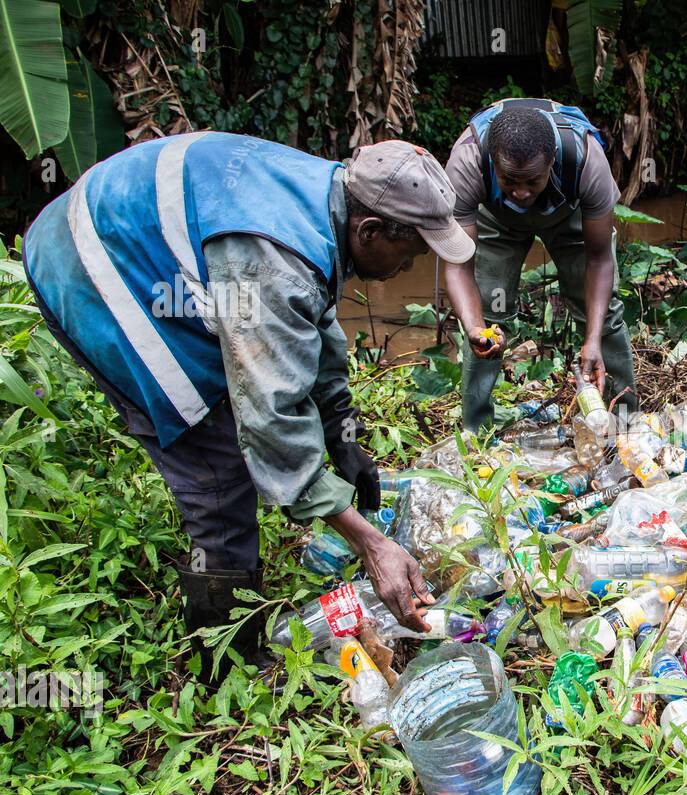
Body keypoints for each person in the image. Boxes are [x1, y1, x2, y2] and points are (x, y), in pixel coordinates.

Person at [22, 132, 475, 679]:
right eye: (412, 252)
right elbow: (271, 416)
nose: (409, 267)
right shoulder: (273, 259)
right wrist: (370, 544)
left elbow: (316, 333)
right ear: (371, 230)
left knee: (246, 389)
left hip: (144, 239)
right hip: (91, 262)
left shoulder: (330, 200)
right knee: (216, 459)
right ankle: (228, 662)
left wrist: (344, 439)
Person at [441, 98, 638, 430]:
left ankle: (625, 422)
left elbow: (599, 259)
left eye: (531, 181)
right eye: (510, 181)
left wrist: (591, 339)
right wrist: (474, 326)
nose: (521, 192)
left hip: (568, 209)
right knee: (486, 320)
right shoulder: (467, 162)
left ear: (551, 162)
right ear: (492, 162)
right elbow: (458, 264)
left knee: (602, 319)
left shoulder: (586, 160)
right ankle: (478, 433)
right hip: (496, 219)